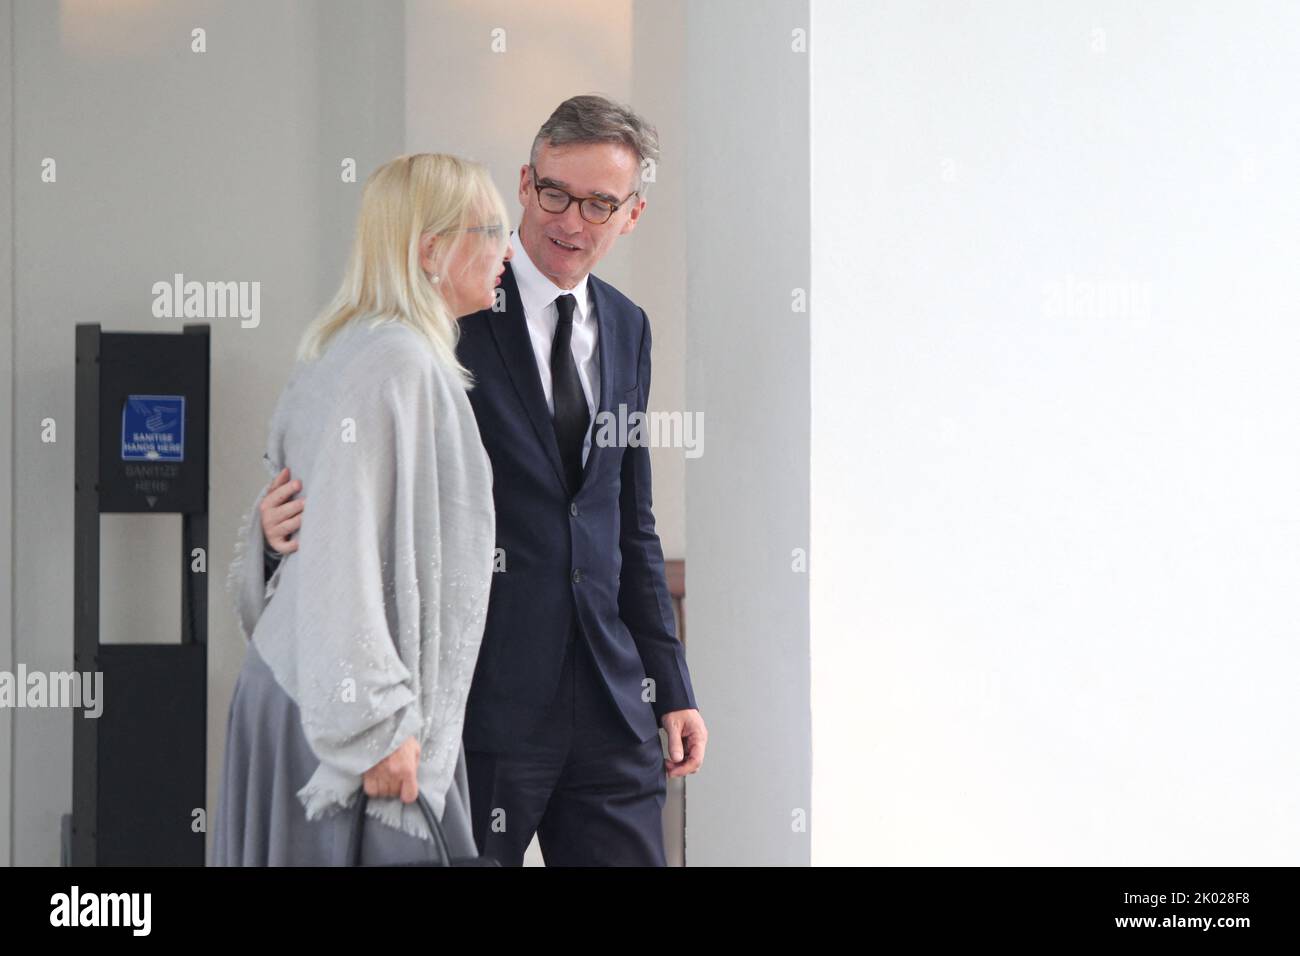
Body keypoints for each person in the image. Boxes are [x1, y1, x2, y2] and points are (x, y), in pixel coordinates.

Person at [262, 95, 708, 866]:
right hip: (482, 701)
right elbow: (356, 470)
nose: (571, 221)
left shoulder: (628, 326)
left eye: (599, 204)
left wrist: (670, 684)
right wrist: (279, 534)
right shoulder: (446, 311)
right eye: (555, 194)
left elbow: (629, 519)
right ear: (525, 184)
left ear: (631, 214)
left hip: (611, 703)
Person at [211, 153, 512, 865]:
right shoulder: (398, 362)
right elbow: (341, 553)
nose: (508, 249)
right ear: (432, 251)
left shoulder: (348, 347)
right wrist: (373, 726)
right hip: (348, 714)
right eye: (493, 231)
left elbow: (307, 520)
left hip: (310, 686)